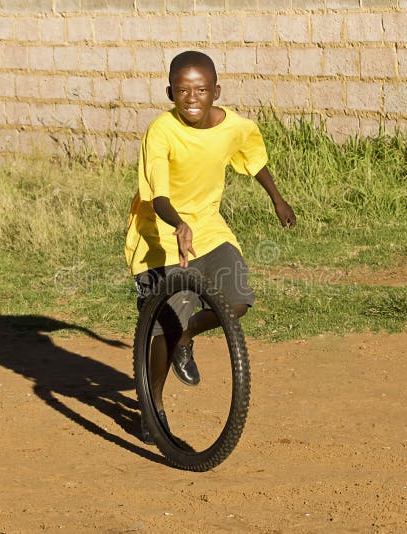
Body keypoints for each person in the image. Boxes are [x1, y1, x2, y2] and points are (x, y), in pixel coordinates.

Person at [124, 50, 296, 443]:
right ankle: (153, 408)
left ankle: (186, 337)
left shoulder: (234, 126)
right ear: (170, 92)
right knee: (164, 324)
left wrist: (277, 198)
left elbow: (252, 159)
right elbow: (158, 197)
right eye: (182, 90)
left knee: (236, 301)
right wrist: (178, 224)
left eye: (201, 90)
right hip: (158, 234)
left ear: (216, 90)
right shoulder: (161, 132)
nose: (192, 98)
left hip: (210, 229)